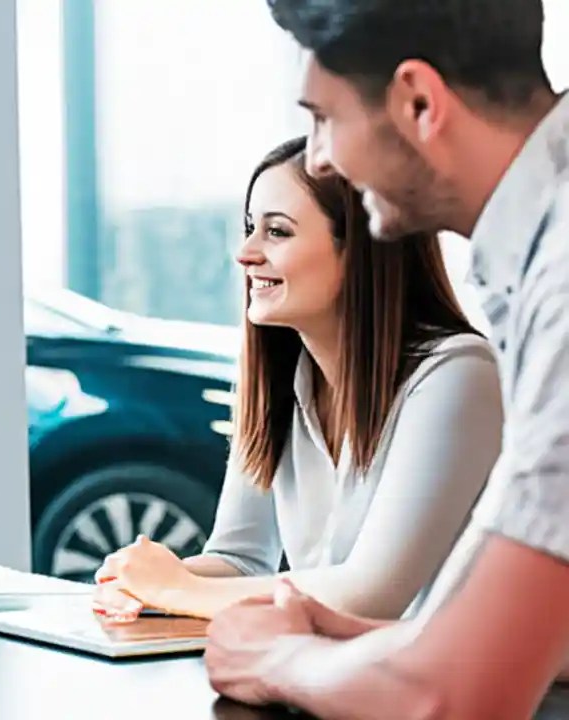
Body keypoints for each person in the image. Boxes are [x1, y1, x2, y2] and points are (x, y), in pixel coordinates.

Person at [202, 1, 569, 717]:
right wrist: (381, 643)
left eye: (324, 119)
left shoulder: (557, 282)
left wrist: (274, 656)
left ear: (419, 103)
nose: (317, 159)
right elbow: (477, 647)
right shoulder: (533, 260)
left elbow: (455, 694)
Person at [91, 136, 502, 622]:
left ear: (362, 250)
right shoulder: (276, 380)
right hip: (356, 678)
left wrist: (176, 590)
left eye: (277, 232)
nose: (245, 254)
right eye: (249, 228)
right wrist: (141, 584)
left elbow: (370, 596)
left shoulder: (457, 376)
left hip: (493, 694)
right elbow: (240, 561)